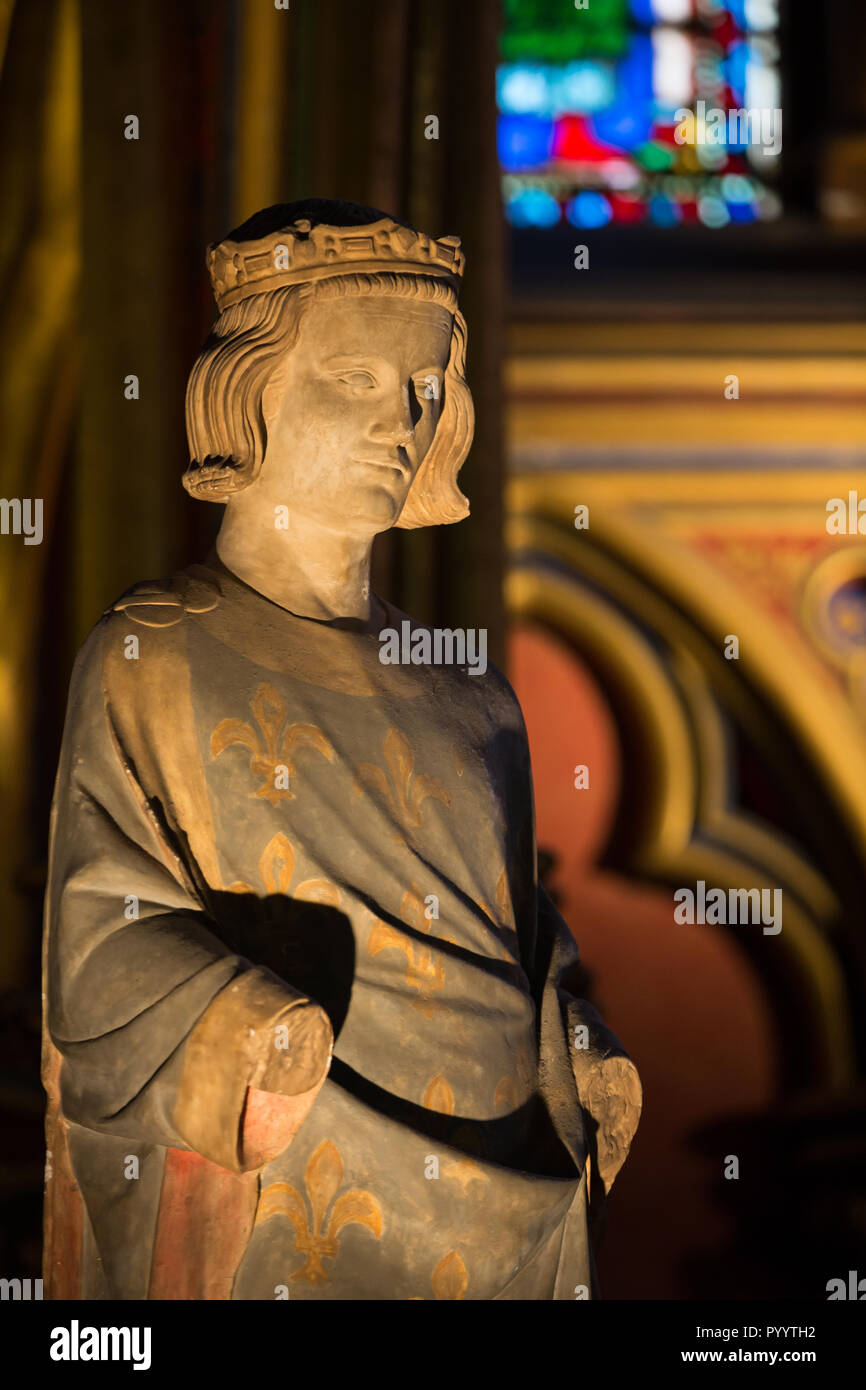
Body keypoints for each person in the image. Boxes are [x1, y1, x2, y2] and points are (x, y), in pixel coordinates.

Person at [42, 199, 640, 1300]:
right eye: (354, 380)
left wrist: (579, 1035)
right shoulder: (158, 653)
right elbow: (99, 939)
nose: (397, 423)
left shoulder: (471, 692)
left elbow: (524, 935)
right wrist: (246, 1029)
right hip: (305, 1174)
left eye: (422, 391)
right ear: (247, 388)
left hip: (513, 1187)